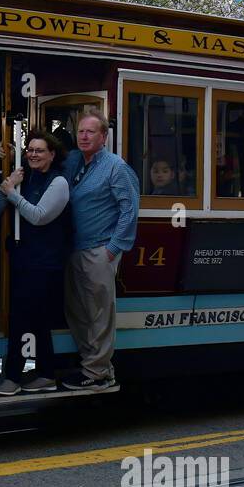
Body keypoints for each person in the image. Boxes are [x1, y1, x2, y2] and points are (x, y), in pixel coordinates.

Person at [61, 112, 139, 392]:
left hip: (99, 250)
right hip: (75, 248)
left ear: (104, 137)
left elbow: (129, 210)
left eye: (90, 132)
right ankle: (94, 367)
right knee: (77, 311)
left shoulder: (116, 167)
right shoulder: (74, 162)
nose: (83, 136)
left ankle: (98, 372)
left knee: (99, 314)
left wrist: (113, 249)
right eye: (80, 131)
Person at [0, 130, 71, 395]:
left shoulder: (58, 183)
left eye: (39, 150)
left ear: (52, 154)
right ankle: (46, 373)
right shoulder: (22, 176)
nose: (33, 155)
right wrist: (8, 187)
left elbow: (38, 216)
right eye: (30, 150)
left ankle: (13, 377)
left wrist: (12, 193)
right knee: (36, 319)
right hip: (23, 258)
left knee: (23, 318)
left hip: (45, 263)